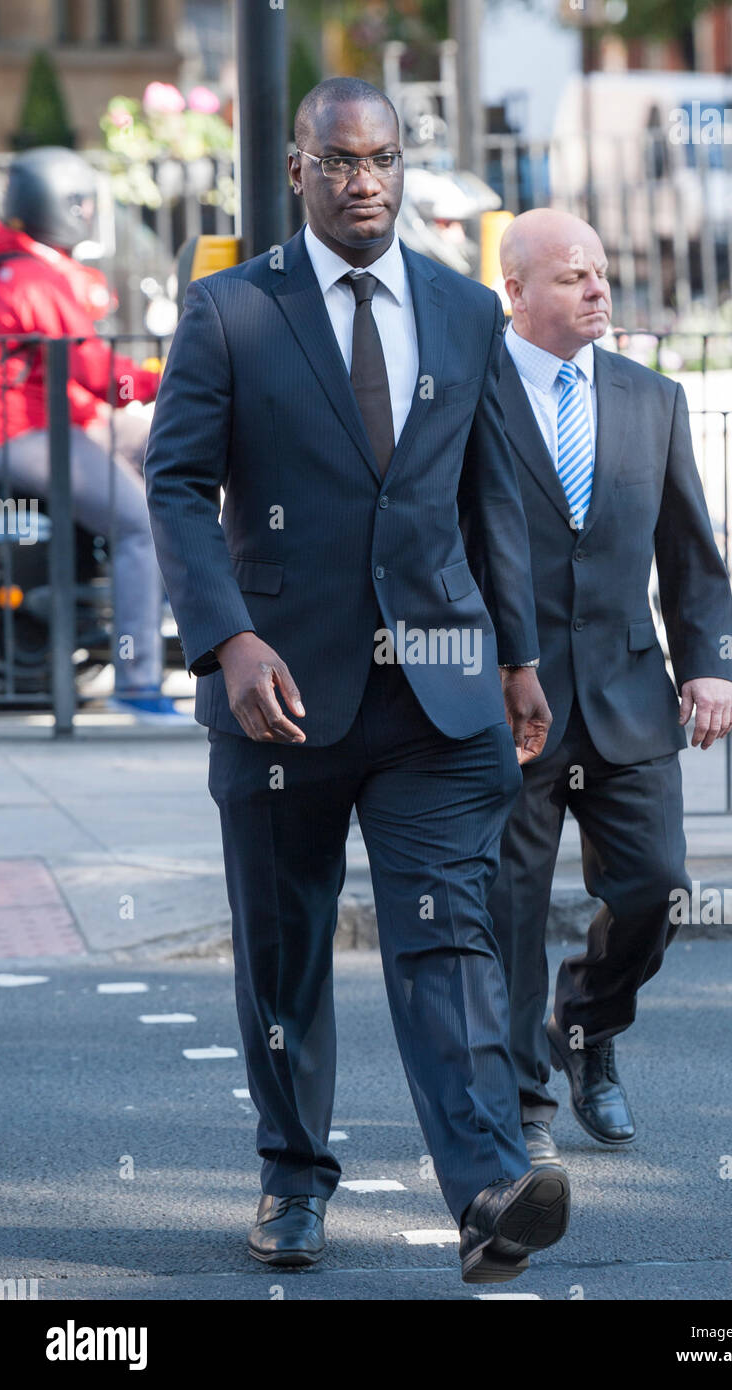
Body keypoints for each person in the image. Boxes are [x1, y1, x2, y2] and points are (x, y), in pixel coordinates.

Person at [143, 78, 570, 1284]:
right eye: (339, 162)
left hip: (436, 690)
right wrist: (226, 641)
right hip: (279, 696)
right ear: (299, 170)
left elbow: (493, 498)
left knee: (446, 934)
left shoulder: (457, 309)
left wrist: (520, 658)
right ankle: (291, 1177)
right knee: (284, 953)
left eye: (382, 159)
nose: (365, 181)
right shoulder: (231, 311)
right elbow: (175, 483)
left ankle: (488, 1182)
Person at [482, 209, 732, 1165]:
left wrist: (707, 659)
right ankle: (518, 1103)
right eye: (571, 276)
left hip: (630, 695)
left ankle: (583, 1029)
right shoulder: (468, 394)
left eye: (600, 273)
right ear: (515, 292)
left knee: (659, 889)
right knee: (506, 908)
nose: (596, 290)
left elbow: (688, 549)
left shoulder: (649, 396)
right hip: (512, 703)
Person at [0, 146, 184, 721]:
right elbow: (98, 374)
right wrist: (163, 381)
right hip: (24, 437)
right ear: (64, 204)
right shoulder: (34, 279)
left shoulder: (23, 268)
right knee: (139, 527)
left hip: (46, 424)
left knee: (165, 449)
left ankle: (191, 593)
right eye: (81, 201)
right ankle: (138, 679)